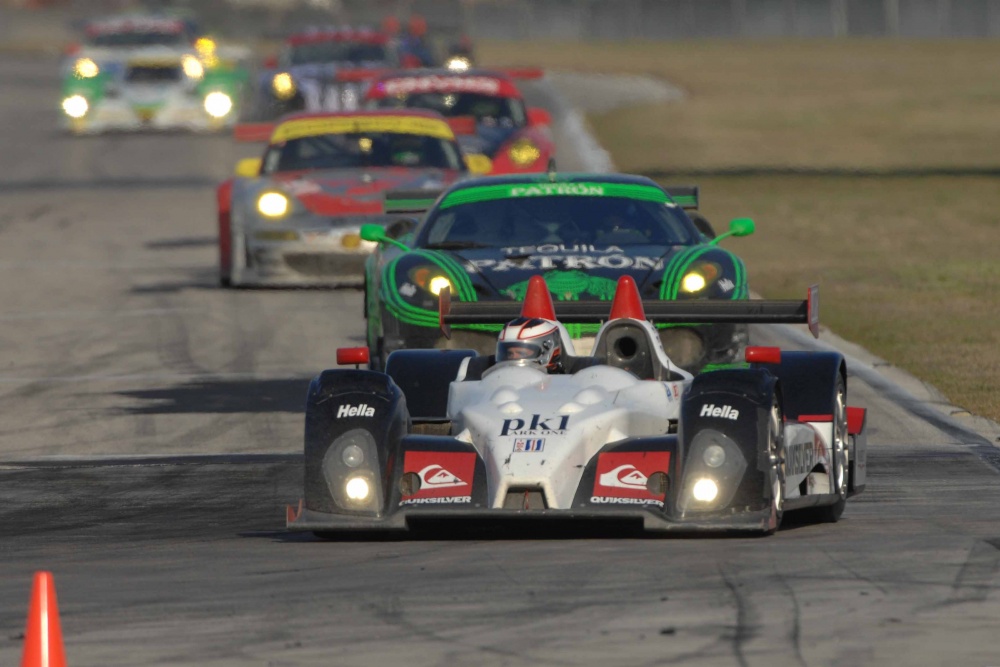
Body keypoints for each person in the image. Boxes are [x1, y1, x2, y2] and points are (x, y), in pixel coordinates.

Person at [495, 317, 563, 373]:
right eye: (509, 354)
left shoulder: (562, 385)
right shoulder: (494, 382)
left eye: (522, 353)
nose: (514, 359)